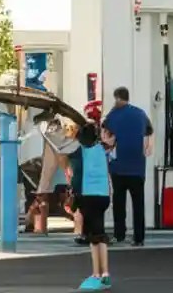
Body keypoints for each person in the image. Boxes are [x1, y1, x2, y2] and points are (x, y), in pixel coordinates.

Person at [101, 86, 153, 246]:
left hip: (118, 167)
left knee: (119, 203)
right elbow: (149, 131)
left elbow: (104, 133)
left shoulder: (113, 115)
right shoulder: (141, 114)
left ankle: (119, 234)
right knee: (138, 204)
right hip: (138, 167)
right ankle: (139, 238)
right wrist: (146, 149)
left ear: (117, 98)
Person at [68, 122, 112, 290]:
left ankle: (96, 275)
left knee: (93, 239)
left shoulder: (81, 152)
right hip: (103, 195)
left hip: (88, 196)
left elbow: (76, 176)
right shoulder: (101, 150)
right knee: (100, 234)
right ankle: (105, 274)